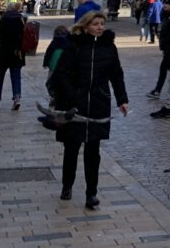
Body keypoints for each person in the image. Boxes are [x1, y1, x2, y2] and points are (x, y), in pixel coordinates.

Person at [50, 11, 128, 209]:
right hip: (74, 104)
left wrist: (122, 99)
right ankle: (67, 185)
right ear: (85, 26)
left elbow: (116, 75)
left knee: (93, 152)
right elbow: (61, 74)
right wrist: (72, 95)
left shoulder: (109, 47)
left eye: (102, 24)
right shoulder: (74, 46)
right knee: (72, 148)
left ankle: (91, 193)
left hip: (98, 104)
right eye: (95, 24)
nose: (100, 27)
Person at [0, 0, 27, 110]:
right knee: (16, 77)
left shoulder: (3, 20)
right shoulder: (21, 20)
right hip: (16, 53)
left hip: (2, 53)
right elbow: (23, 38)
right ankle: (17, 98)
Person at [147, 0, 170, 98]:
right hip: (167, 46)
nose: (164, 5)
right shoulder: (166, 14)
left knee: (163, 68)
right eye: (164, 3)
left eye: (166, 3)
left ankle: (157, 90)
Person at [43, 25, 70, 97]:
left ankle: (53, 96)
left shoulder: (53, 43)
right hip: (65, 69)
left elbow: (48, 54)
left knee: (51, 82)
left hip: (53, 67)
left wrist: (45, 64)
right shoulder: (68, 44)